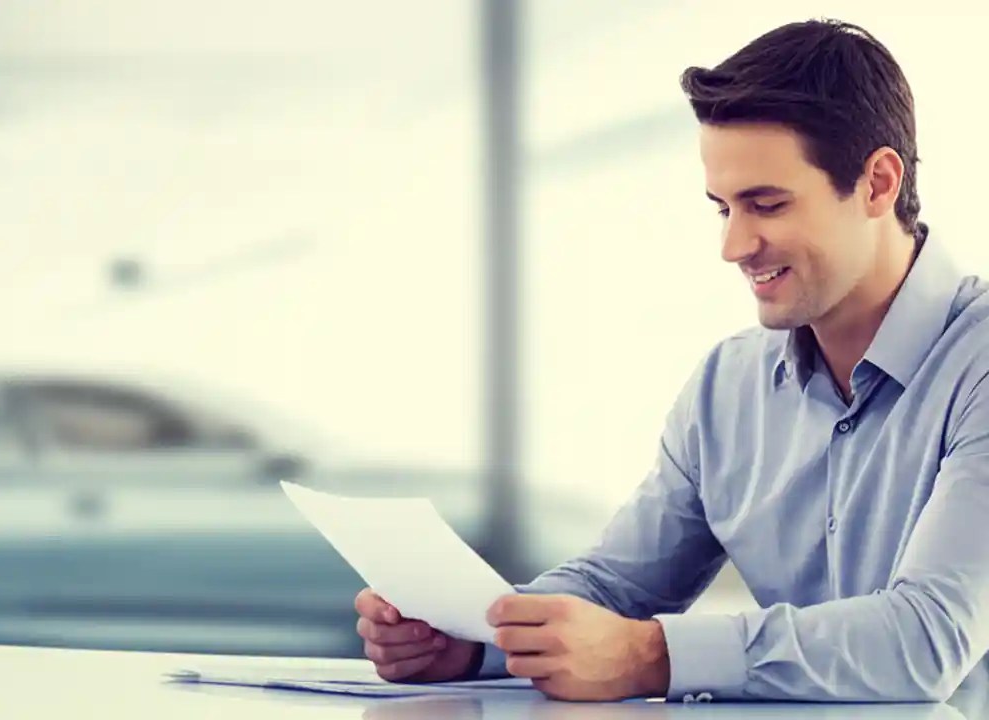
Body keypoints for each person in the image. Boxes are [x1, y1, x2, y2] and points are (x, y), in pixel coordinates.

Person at [354, 18, 989, 703]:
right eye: (722, 208)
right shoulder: (727, 388)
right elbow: (618, 585)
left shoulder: (975, 363)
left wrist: (651, 655)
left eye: (766, 205)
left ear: (877, 183)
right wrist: (479, 638)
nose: (734, 245)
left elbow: (928, 639)